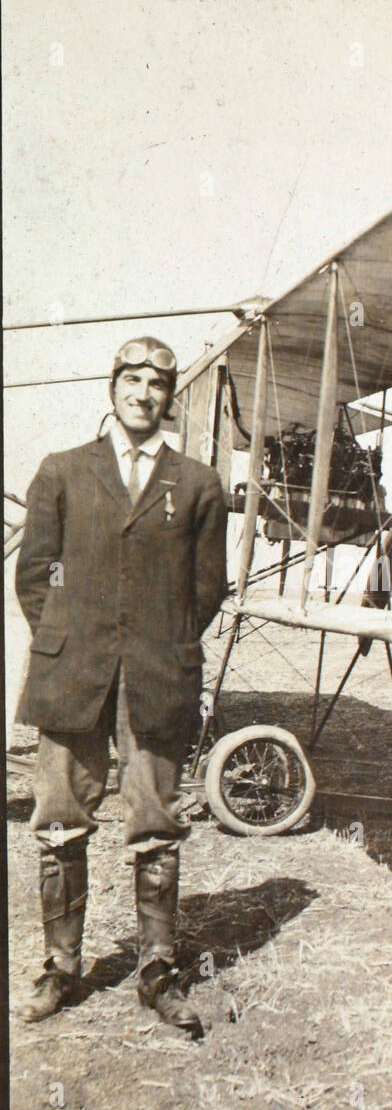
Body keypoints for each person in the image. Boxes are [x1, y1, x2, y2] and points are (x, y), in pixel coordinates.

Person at [15, 336, 228, 1038]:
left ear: (171, 399)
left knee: (156, 824)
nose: (143, 394)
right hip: (73, 673)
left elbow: (206, 590)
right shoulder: (63, 473)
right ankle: (60, 967)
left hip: (156, 676)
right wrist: (71, 630)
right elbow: (38, 572)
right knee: (58, 821)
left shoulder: (196, 484)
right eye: (132, 380)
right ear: (112, 387)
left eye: (157, 386)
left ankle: (159, 972)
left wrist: (159, 640)